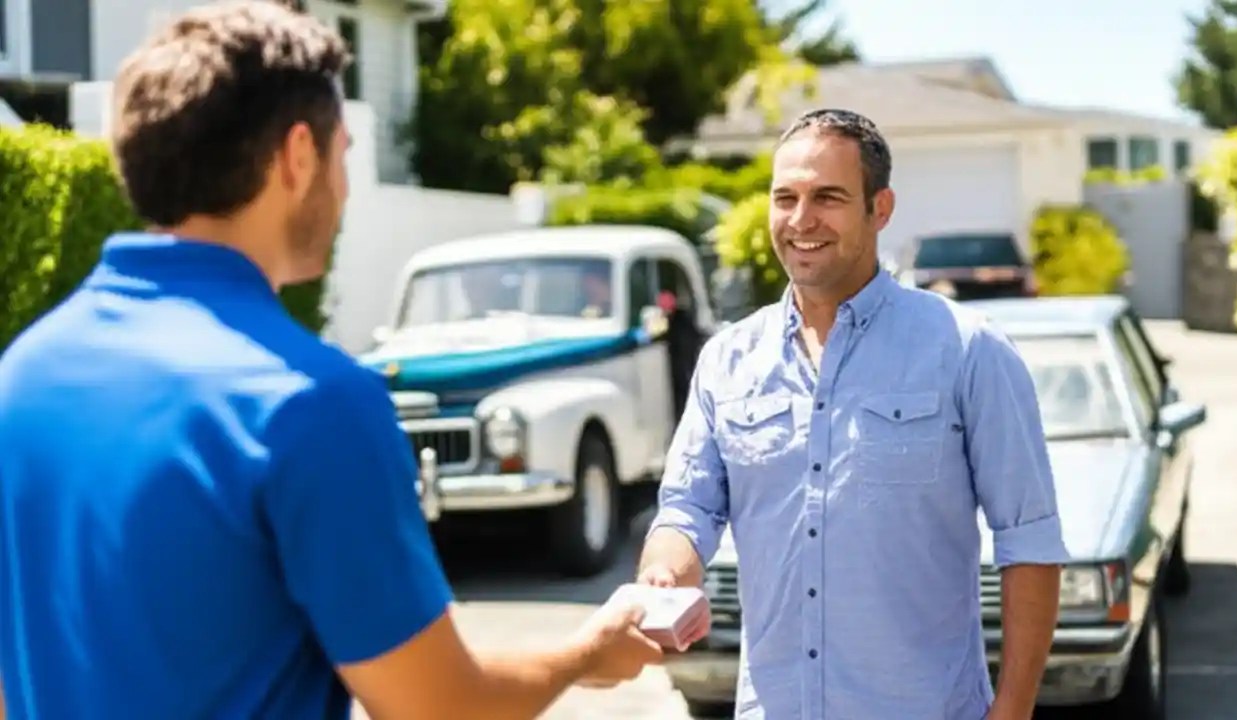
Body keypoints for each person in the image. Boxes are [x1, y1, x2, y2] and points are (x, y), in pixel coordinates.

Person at [0, 2, 663, 718]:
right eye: (344, 153)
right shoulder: (312, 402)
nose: (344, 190)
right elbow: (441, 704)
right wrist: (588, 651)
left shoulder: (21, 377)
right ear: (298, 156)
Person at [637, 108, 1070, 719]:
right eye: (784, 197)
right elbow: (689, 507)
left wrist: (1013, 709)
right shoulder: (726, 360)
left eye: (828, 197)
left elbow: (1029, 540)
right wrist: (664, 571)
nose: (801, 220)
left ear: (880, 208)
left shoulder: (967, 349)